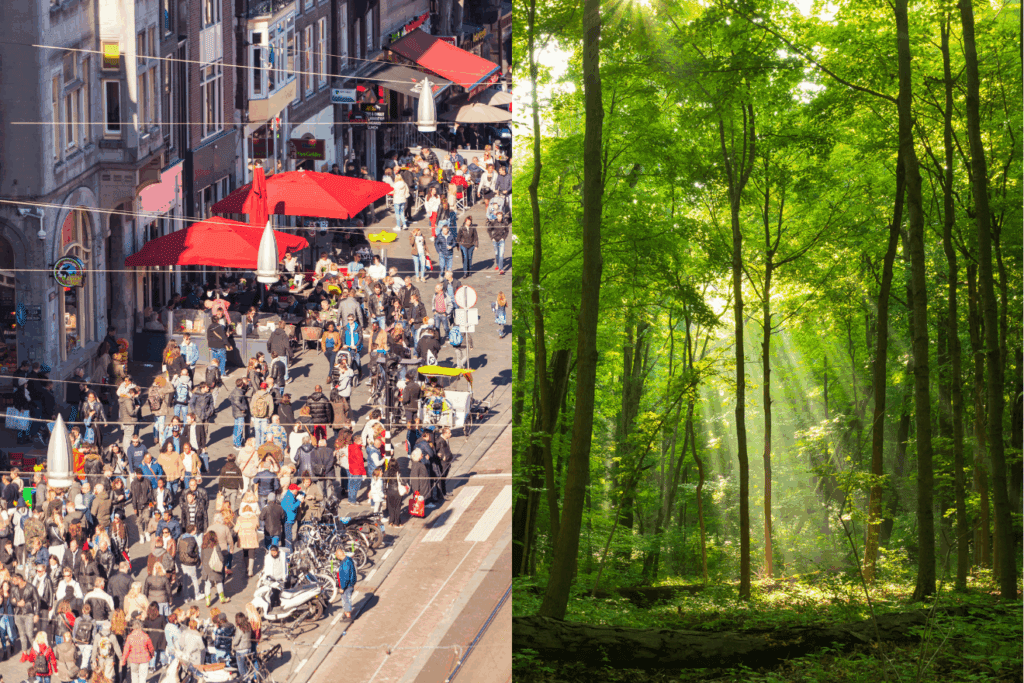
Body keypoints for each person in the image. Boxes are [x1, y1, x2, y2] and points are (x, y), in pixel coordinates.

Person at [200, 531, 228, 607]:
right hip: (214, 567)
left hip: (206, 568)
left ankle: (208, 601)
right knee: (219, 582)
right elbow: (221, 557)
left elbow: (201, 557)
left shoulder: (203, 546)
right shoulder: (216, 546)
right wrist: (223, 563)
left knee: (207, 584)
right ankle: (222, 598)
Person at [335, 547, 357, 620]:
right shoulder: (348, 559)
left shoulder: (345, 564)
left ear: (339, 556)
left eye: (337, 556)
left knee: (346, 599)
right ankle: (346, 613)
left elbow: (345, 577)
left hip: (347, 585)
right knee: (346, 598)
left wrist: (342, 587)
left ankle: (348, 616)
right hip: (350, 583)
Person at [232, 612, 254, 678]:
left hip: (241, 651)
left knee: (241, 670)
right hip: (248, 649)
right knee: (245, 667)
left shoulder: (240, 629)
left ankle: (246, 680)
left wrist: (232, 641)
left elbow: (235, 642)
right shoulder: (248, 626)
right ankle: (248, 680)